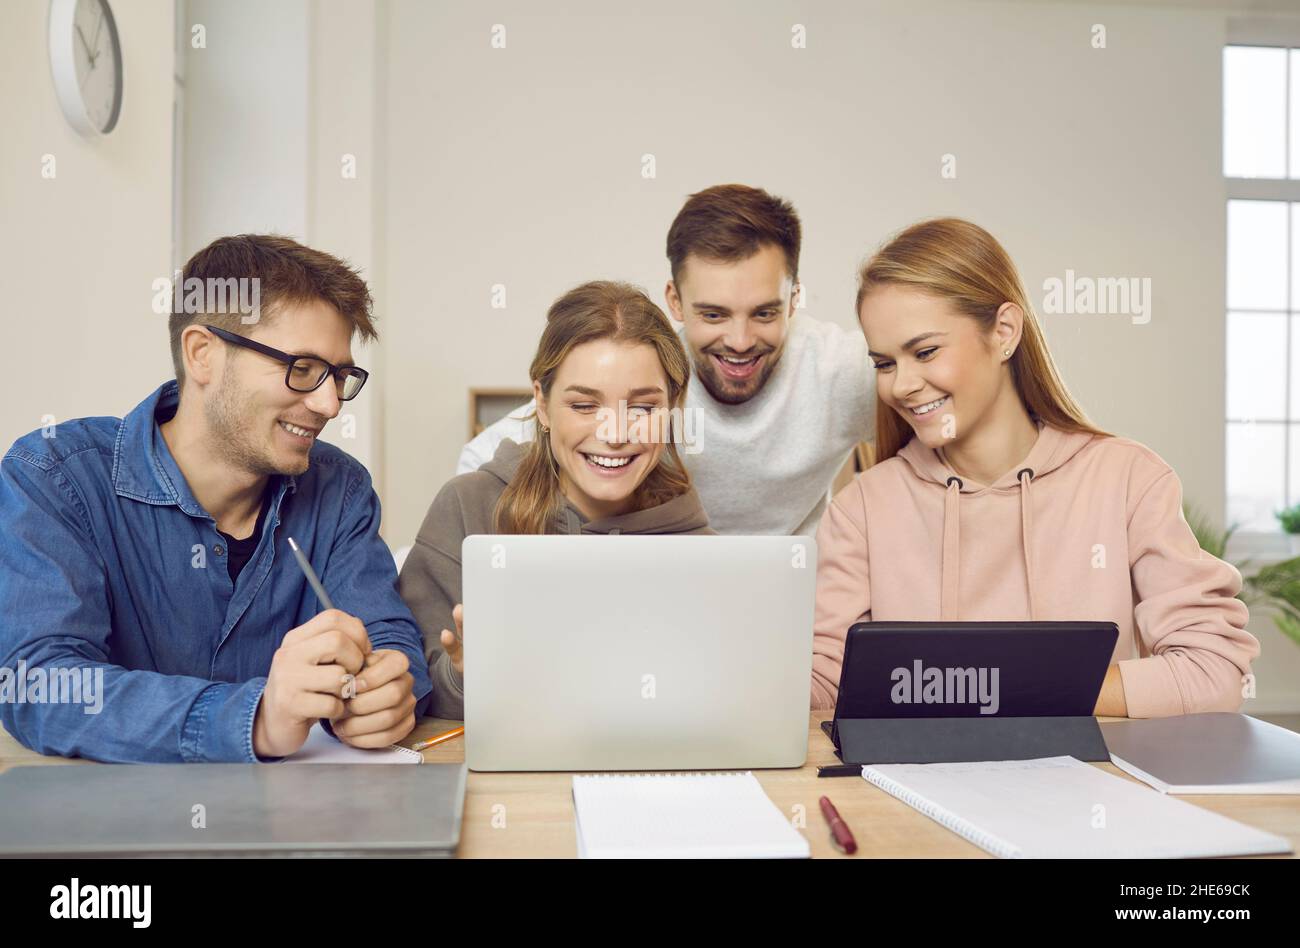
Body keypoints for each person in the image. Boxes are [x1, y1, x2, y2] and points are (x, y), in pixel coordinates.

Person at [0, 235, 431, 762]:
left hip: (297, 825)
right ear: (203, 354)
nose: (329, 405)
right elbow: (41, 685)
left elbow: (387, 637)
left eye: (340, 376)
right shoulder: (54, 477)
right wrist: (254, 719)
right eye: (303, 368)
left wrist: (385, 690)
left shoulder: (340, 489)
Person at [811, 218, 1259, 716]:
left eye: (925, 351)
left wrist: (1010, 687)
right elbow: (829, 686)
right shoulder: (862, 510)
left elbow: (1215, 674)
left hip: (1089, 790)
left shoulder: (1128, 481)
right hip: (917, 789)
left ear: (1004, 332)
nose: (901, 385)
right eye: (885, 363)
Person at [459, 184, 874, 536]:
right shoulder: (646, 374)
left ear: (794, 297)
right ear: (674, 300)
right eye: (713, 314)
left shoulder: (840, 370)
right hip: (669, 595)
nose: (740, 341)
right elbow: (477, 463)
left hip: (789, 602)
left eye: (765, 313)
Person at [400, 281, 713, 719]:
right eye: (585, 405)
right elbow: (418, 698)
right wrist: (468, 679)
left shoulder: (698, 542)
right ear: (543, 406)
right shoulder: (468, 507)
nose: (616, 433)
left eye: (643, 408)